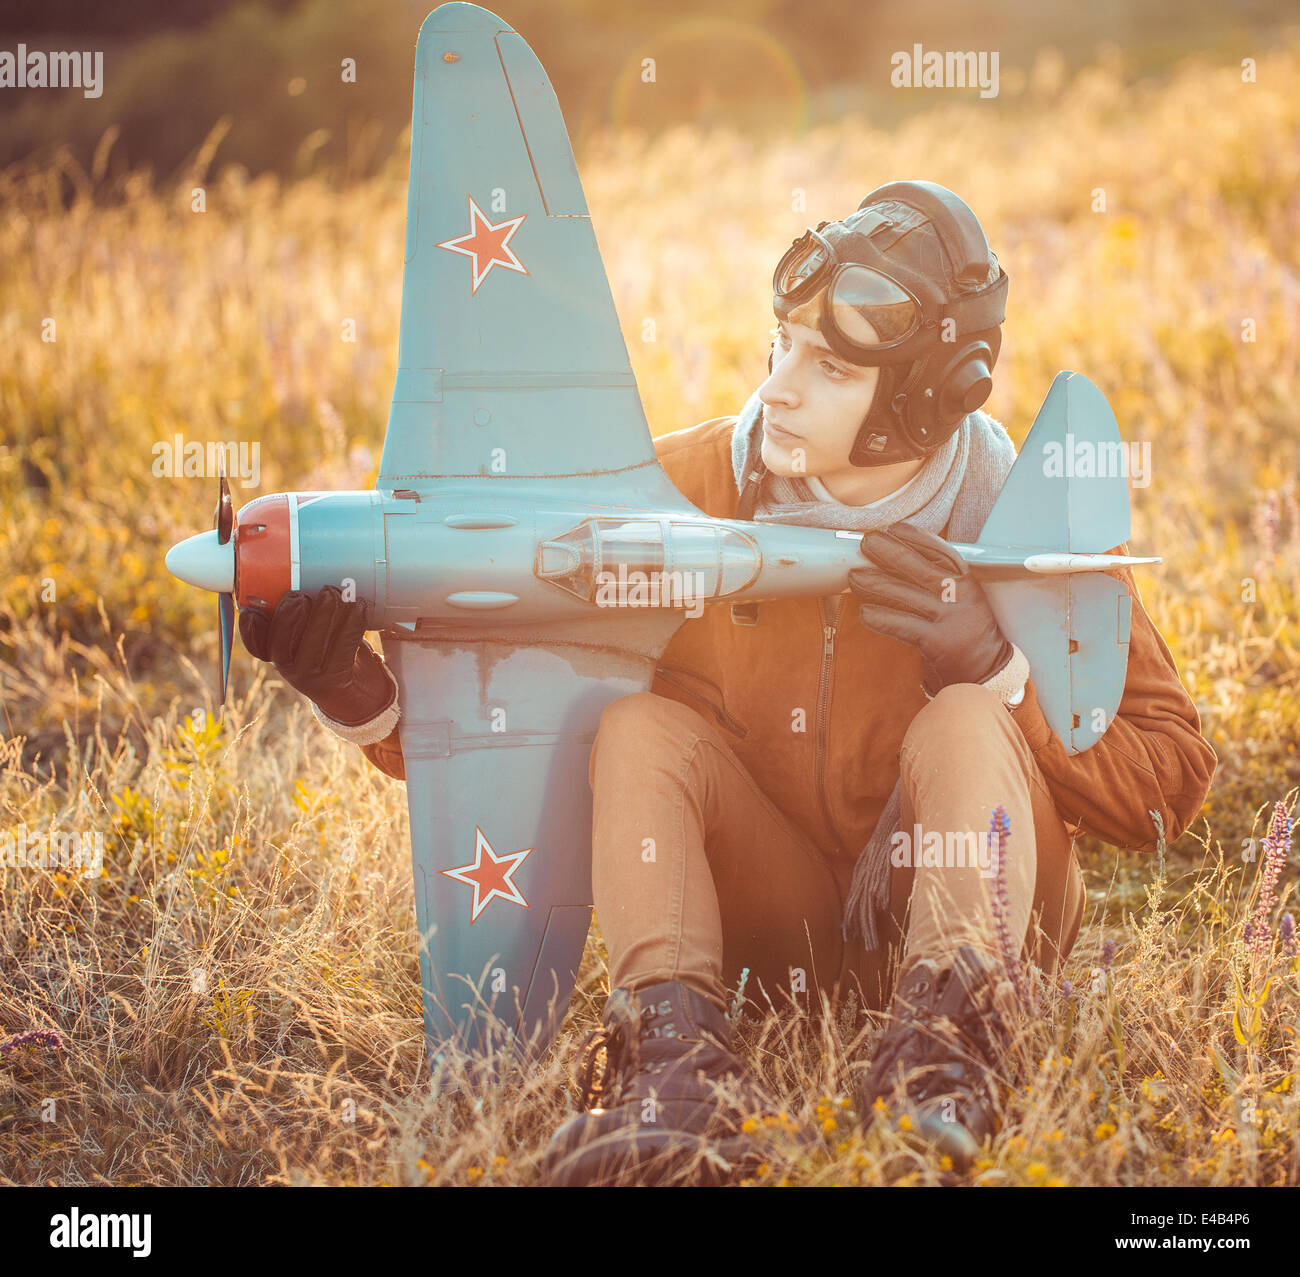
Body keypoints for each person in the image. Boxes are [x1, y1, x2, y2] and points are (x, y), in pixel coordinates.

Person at [239, 181, 1217, 1187]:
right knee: (636, 727)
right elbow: (522, 716)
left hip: (986, 898)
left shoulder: (1023, 510)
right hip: (772, 929)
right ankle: (669, 1064)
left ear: (928, 396)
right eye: (781, 343)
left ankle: (950, 1048)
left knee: (968, 715)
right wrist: (355, 692)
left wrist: (999, 664)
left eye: (829, 366)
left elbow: (1165, 789)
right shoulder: (675, 494)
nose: (780, 387)